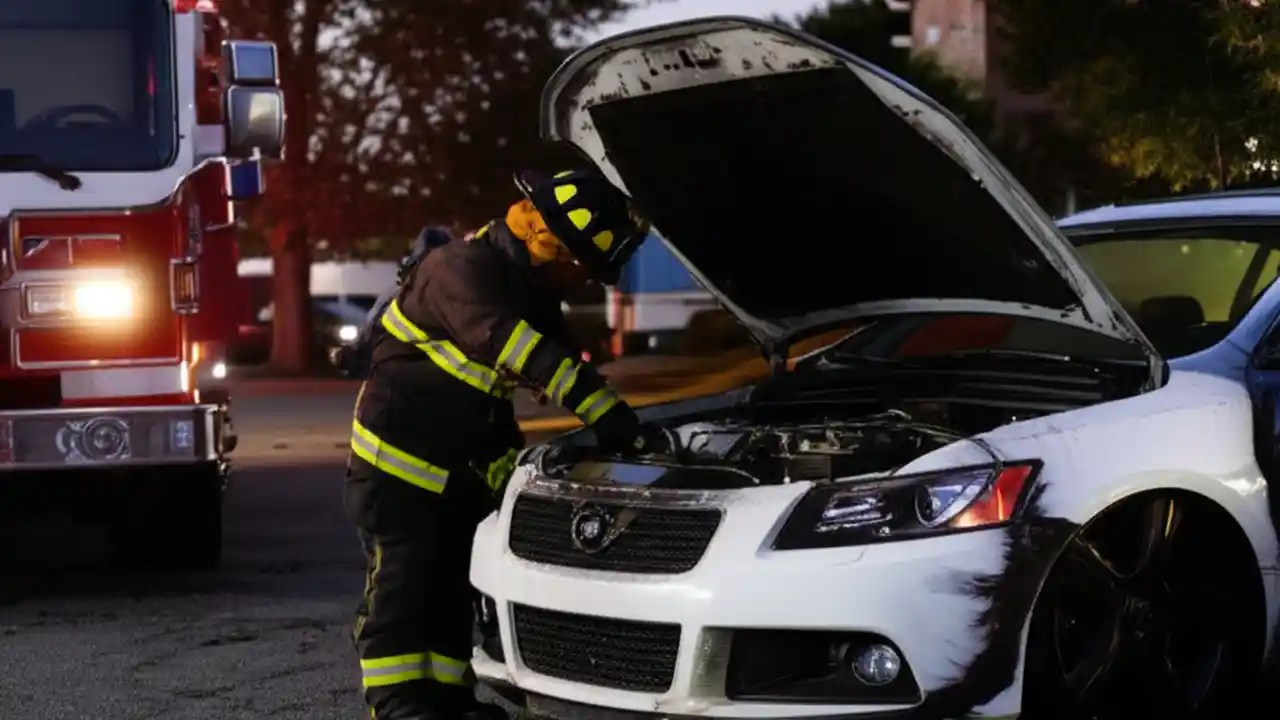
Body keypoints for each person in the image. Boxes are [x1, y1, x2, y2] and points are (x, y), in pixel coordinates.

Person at [345, 169, 663, 719]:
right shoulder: (458, 270)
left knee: (448, 593)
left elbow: (552, 355)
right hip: (398, 470)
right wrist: (606, 413)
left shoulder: (526, 289)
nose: (582, 283)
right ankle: (396, 703)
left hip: (456, 470)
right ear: (553, 246)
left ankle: (446, 701)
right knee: (402, 590)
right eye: (581, 269)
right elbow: (517, 348)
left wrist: (620, 428)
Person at [336, 227, 455, 378]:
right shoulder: (466, 292)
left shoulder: (401, 292)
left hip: (404, 379)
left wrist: (356, 353)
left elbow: (373, 325)